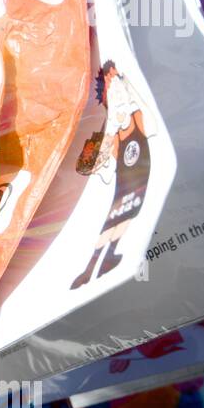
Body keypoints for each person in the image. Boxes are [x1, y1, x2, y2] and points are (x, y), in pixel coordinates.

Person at [71, 61, 154, 289]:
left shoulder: (137, 116)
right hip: (126, 181)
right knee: (113, 220)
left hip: (140, 178)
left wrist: (129, 87)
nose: (120, 93)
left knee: (127, 215)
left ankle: (110, 255)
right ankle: (91, 268)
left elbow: (152, 126)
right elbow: (105, 170)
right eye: (114, 89)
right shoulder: (114, 135)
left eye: (120, 84)